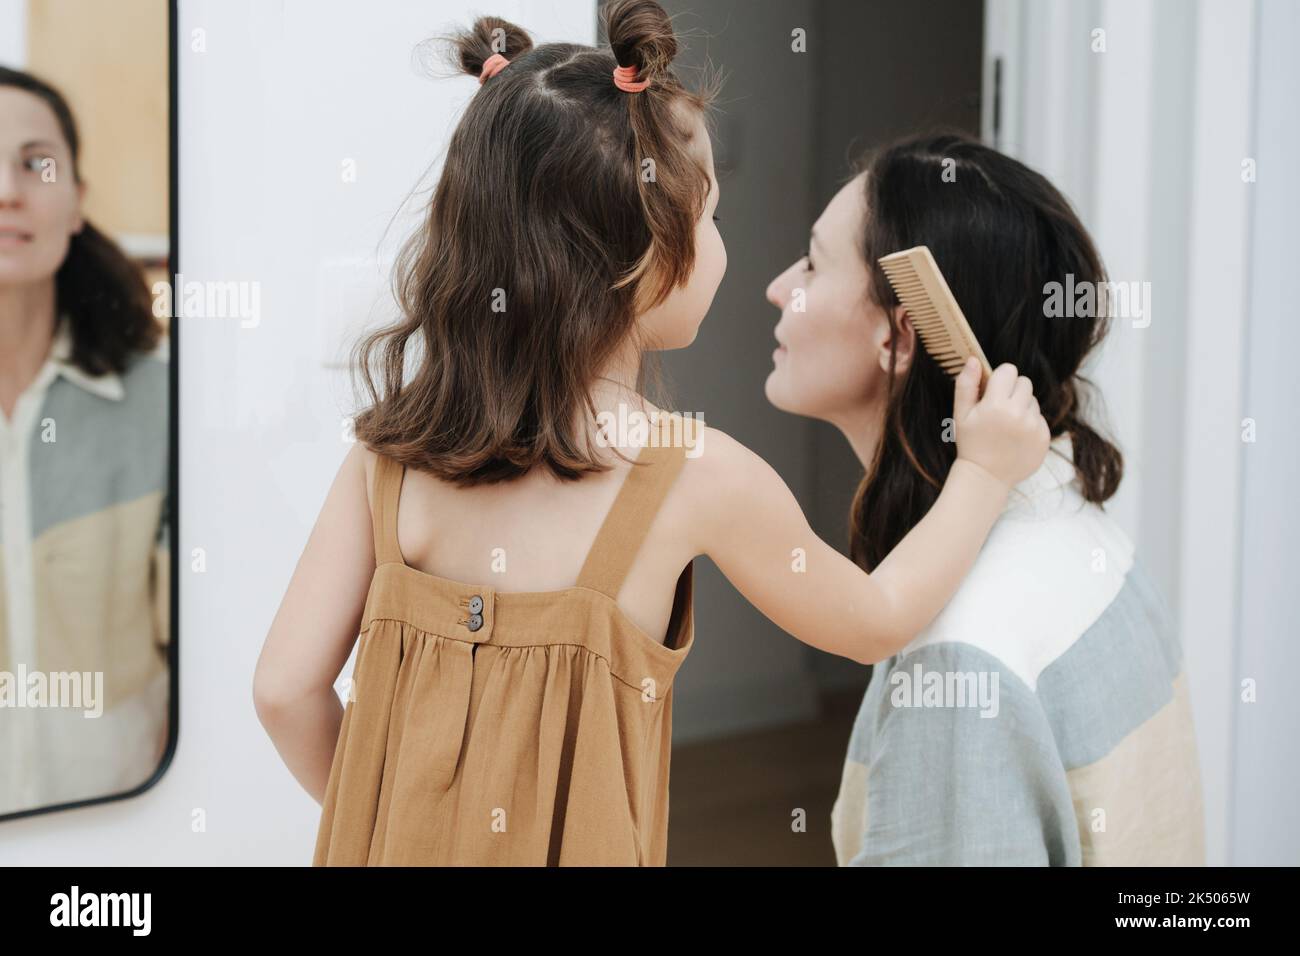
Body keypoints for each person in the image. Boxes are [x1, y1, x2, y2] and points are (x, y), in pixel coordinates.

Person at [253, 2, 1049, 866]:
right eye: (709, 219)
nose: (723, 249)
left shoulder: (387, 456)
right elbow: (875, 620)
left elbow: (285, 690)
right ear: (642, 255)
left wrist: (402, 826)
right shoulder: (696, 476)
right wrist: (984, 470)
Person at [764, 132, 1204, 865]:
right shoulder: (1070, 523)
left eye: (812, 261)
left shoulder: (960, 655)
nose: (780, 286)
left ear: (902, 334)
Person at [0, 66, 170, 817]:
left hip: (118, 842)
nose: (8, 190)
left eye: (35, 163)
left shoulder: (160, 401)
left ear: (75, 205)